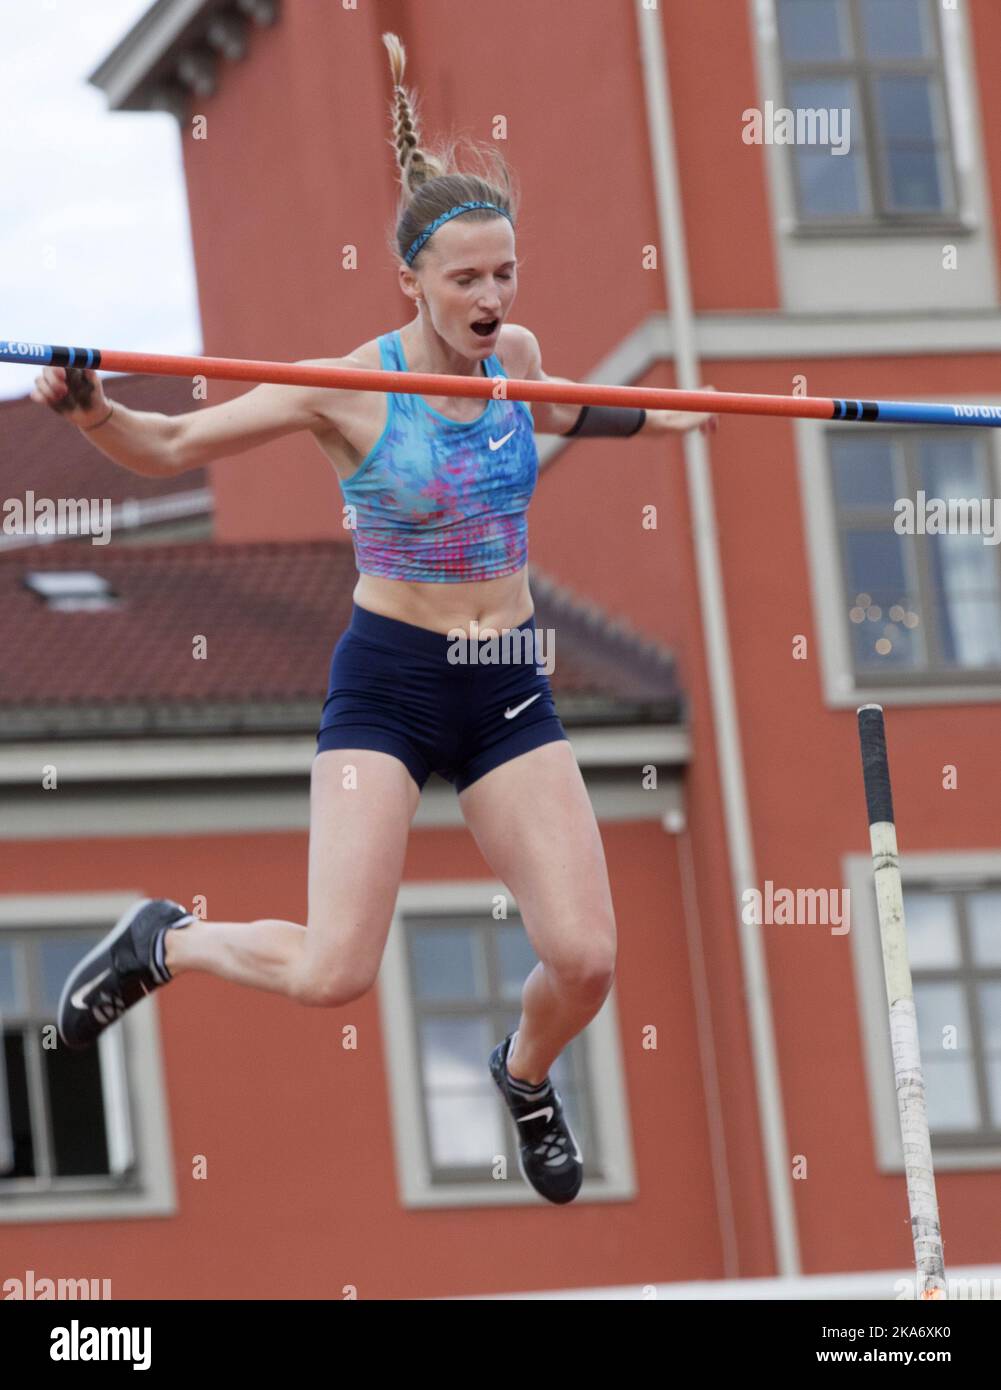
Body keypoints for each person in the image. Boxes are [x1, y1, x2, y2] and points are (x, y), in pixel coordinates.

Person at [33, 32, 716, 1206]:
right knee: (335, 974)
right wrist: (94, 411)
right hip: (390, 682)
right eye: (466, 282)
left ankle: (522, 1068)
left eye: (504, 275)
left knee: (588, 959)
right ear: (410, 279)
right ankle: (167, 940)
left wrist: (673, 418)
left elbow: (560, 412)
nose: (492, 300)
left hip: (505, 674)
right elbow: (171, 445)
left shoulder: (518, 357)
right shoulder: (345, 390)